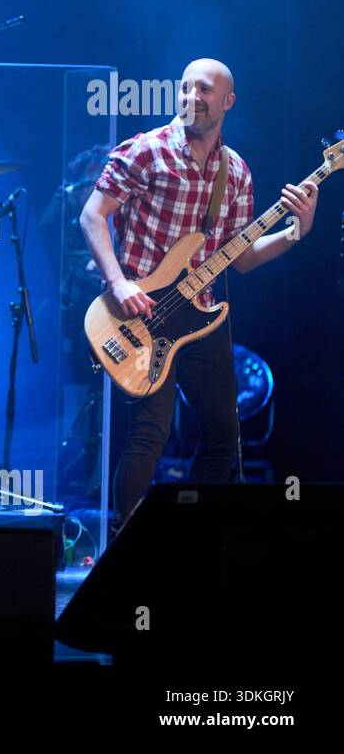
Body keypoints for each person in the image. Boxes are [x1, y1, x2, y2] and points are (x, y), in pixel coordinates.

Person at [79, 58, 317, 540]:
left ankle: (186, 540)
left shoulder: (237, 172)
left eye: (204, 90)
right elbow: (91, 216)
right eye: (185, 88)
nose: (191, 97)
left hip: (199, 318)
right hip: (139, 313)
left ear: (228, 101)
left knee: (223, 438)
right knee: (152, 429)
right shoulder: (148, 151)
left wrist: (296, 232)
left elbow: (243, 259)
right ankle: (129, 543)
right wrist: (120, 281)